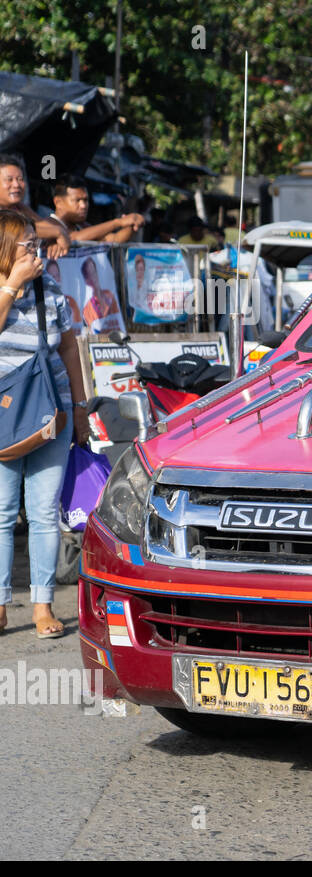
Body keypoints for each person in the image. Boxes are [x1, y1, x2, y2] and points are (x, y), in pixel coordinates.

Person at [0, 209, 92, 638]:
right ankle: (0, 606)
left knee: (41, 512)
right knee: (1, 515)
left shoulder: (50, 289)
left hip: (50, 414)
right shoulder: (11, 287)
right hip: (3, 417)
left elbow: (70, 349)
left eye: (37, 243)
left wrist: (79, 407)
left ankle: (42, 606)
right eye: (27, 244)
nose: (36, 251)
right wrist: (12, 284)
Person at [0, 154, 70, 260]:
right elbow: (13, 230)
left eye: (20, 179)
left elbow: (45, 225)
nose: (16, 185)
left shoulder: (19, 208)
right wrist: (57, 232)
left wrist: (52, 238)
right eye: (9, 179)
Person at [51, 175, 143, 243]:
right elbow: (74, 237)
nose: (83, 205)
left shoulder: (83, 227)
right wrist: (118, 222)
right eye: (77, 200)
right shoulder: (48, 225)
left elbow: (115, 239)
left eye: (86, 200)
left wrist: (132, 223)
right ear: (58, 202)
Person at [79, 257, 123, 333]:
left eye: (94, 272)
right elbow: (94, 330)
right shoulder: (88, 305)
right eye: (89, 275)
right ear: (86, 280)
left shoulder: (109, 295)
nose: (93, 278)